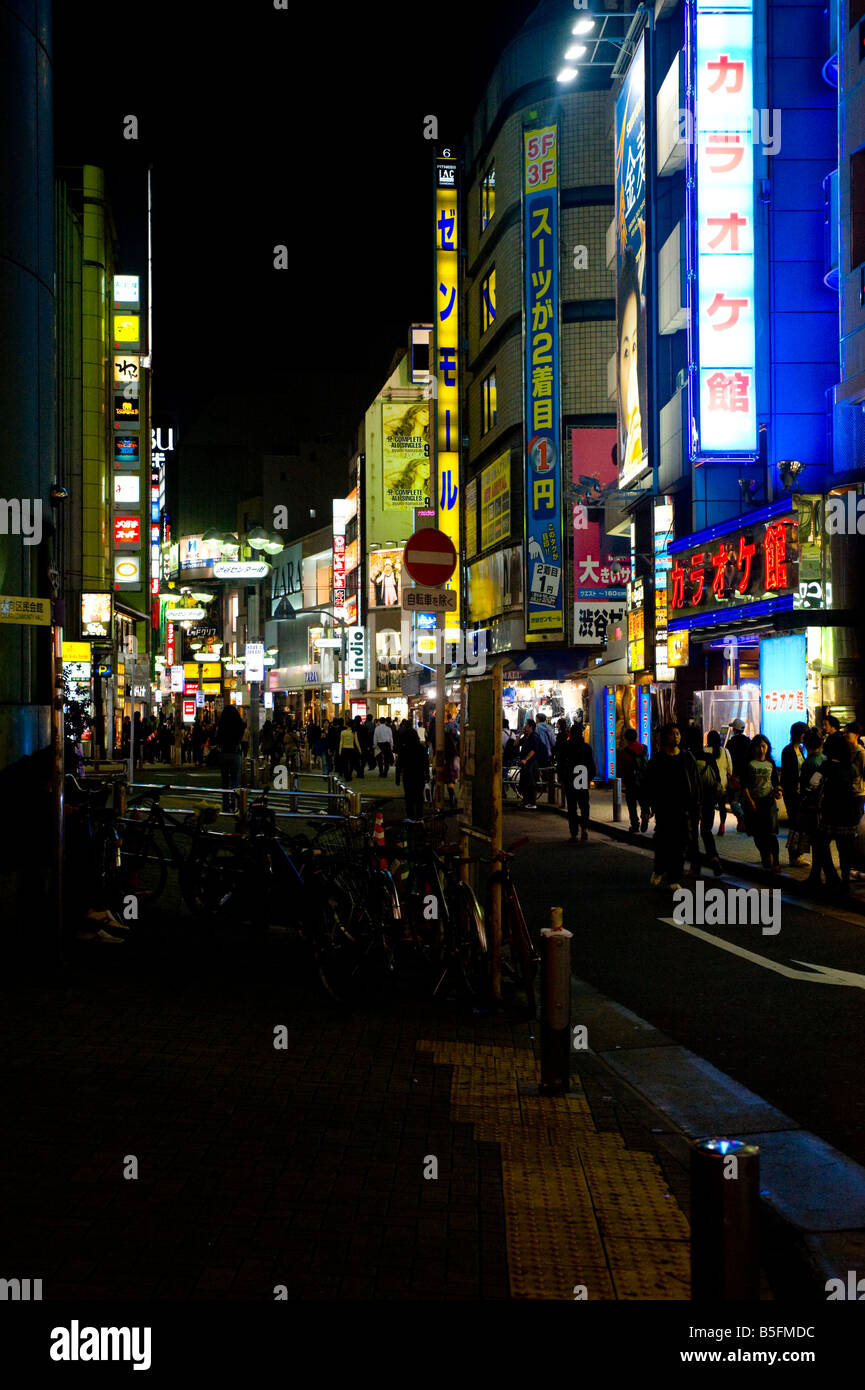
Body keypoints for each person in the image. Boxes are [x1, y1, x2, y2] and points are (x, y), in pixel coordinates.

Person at [646, 724, 700, 890]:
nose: (676, 737)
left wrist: (697, 807)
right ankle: (659, 868)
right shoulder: (657, 759)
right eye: (672, 734)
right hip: (664, 807)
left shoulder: (687, 757)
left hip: (683, 807)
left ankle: (674, 878)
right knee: (663, 842)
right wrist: (647, 807)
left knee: (680, 843)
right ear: (664, 737)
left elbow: (696, 783)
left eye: (678, 733)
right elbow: (649, 784)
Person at [685, 728, 722, 876]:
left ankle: (695, 866)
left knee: (693, 833)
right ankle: (713, 857)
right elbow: (717, 779)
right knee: (706, 831)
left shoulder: (687, 757)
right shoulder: (709, 757)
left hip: (692, 800)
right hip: (709, 799)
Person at [742, 734, 782, 872]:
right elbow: (745, 785)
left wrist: (779, 791)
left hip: (769, 802)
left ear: (767, 747)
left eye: (764, 746)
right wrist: (750, 801)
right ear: (753, 748)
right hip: (754, 803)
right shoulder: (749, 764)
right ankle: (765, 855)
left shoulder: (770, 763)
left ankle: (776, 861)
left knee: (771, 833)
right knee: (758, 834)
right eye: (758, 746)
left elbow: (776, 782)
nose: (761, 749)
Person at [780, 722, 809, 866]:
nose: (804, 736)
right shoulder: (788, 750)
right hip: (792, 793)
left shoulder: (801, 749)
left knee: (799, 824)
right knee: (794, 823)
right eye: (803, 733)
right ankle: (793, 856)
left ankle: (798, 854)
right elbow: (787, 774)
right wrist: (792, 788)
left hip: (799, 793)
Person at [562, 722, 595, 842]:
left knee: (572, 807)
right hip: (582, 778)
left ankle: (574, 833)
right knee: (584, 805)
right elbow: (591, 764)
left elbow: (562, 764)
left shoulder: (567, 746)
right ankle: (584, 828)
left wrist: (562, 778)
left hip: (570, 779)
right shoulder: (586, 747)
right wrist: (590, 777)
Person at [618, 726, 650, 834]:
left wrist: (623, 782)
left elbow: (622, 768)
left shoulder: (624, 752)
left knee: (632, 805)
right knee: (644, 801)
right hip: (644, 780)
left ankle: (635, 825)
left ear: (626, 738)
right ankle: (645, 815)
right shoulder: (644, 748)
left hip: (631, 781)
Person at [215, 702, 245, 814]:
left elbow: (217, 739)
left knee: (224, 781)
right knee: (235, 779)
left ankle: (225, 806)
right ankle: (234, 803)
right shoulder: (238, 724)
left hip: (223, 753)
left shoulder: (222, 724)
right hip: (235, 753)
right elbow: (240, 736)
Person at [726, 717, 752, 831]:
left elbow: (728, 759)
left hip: (735, 776)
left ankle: (742, 818)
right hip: (747, 775)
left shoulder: (731, 743)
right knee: (744, 801)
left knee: (734, 802)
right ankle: (743, 824)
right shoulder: (748, 741)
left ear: (734, 729)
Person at [705, 729, 733, 836]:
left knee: (709, 807)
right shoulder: (725, 752)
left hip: (709, 784)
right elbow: (730, 769)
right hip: (723, 785)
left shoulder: (705, 751)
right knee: (722, 806)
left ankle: (708, 827)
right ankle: (722, 826)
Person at [399, 725, 429, 822]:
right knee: (419, 796)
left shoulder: (404, 749)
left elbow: (399, 764)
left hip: (408, 775)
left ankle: (410, 816)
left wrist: (397, 777)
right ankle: (419, 816)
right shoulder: (422, 748)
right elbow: (426, 763)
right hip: (419, 775)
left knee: (409, 797)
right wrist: (427, 774)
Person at [517, 719, 543, 810]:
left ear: (530, 726)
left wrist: (526, 759)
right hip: (525, 763)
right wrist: (520, 735)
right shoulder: (526, 737)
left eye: (526, 724)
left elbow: (533, 750)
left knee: (531, 782)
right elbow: (515, 744)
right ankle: (526, 801)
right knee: (524, 782)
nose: (524, 726)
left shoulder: (534, 737)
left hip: (531, 763)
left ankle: (532, 802)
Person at [444, 729, 460, 809]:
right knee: (450, 785)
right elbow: (457, 765)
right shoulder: (453, 750)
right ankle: (452, 802)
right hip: (451, 769)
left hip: (445, 768)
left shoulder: (442, 748)